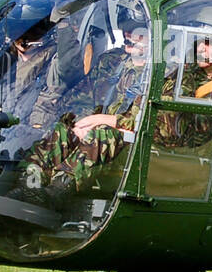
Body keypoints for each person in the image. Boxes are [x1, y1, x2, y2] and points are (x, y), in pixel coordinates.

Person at [14, 20, 151, 203]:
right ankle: (28, 184)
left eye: (137, 31)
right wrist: (81, 122)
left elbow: (152, 120)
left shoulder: (165, 72)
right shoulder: (111, 61)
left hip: (130, 137)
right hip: (97, 126)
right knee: (62, 130)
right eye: (126, 29)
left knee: (100, 135)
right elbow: (81, 97)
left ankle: (57, 192)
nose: (128, 34)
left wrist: (103, 120)